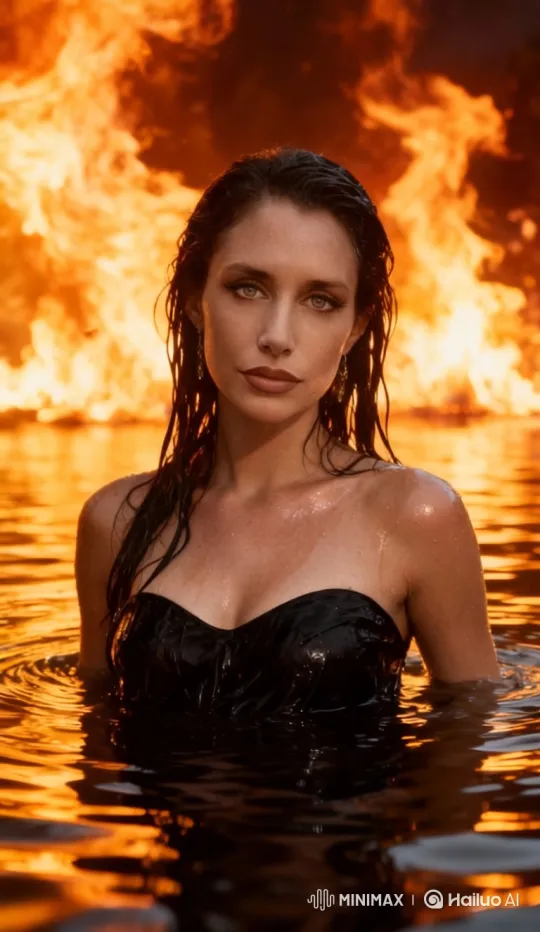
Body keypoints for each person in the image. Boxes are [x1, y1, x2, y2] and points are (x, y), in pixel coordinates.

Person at [75, 146, 502, 720]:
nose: (277, 335)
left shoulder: (415, 515)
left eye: (320, 300)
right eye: (248, 288)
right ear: (197, 301)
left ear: (354, 329)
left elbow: (470, 737)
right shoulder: (117, 521)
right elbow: (95, 737)